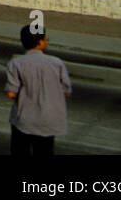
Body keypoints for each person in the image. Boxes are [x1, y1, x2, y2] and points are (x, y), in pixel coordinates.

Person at [5, 24, 72, 155]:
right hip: (48, 120)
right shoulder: (57, 63)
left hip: (24, 119)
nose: (47, 41)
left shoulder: (16, 63)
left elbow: (11, 93)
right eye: (46, 39)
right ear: (40, 42)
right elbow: (66, 91)